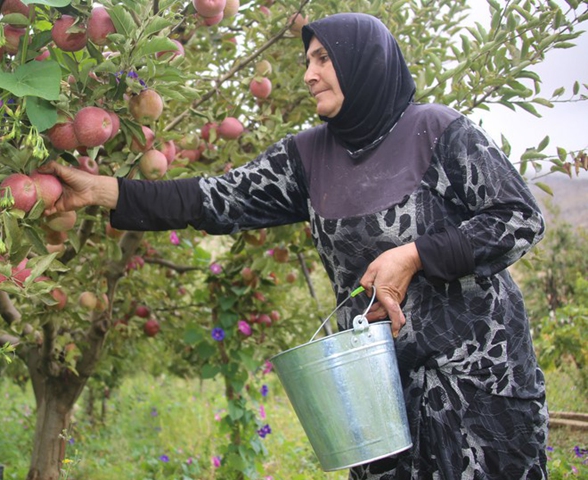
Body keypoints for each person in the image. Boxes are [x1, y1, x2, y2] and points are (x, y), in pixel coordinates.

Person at [42, 12, 548, 479]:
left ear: (363, 61)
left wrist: (414, 255)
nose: (308, 74)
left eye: (323, 59)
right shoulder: (308, 157)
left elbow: (519, 219)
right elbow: (217, 198)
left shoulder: (436, 131)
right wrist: (105, 191)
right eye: (307, 60)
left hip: (481, 383)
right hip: (382, 394)